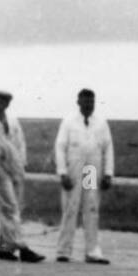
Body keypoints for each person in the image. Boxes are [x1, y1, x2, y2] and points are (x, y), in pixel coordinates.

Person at [0, 90, 44, 262]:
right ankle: (23, 248)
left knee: (13, 209)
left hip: (15, 169)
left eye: (2, 102)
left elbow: (21, 143)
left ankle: (3, 248)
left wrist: (22, 165)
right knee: (9, 208)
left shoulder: (13, 121)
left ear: (7, 104)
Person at [54, 88, 115, 264]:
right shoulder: (69, 122)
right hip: (73, 168)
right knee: (70, 208)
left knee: (91, 207)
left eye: (92, 101)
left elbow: (108, 148)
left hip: (90, 170)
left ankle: (92, 251)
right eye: (85, 101)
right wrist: (62, 172)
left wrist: (108, 173)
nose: (89, 105)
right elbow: (60, 147)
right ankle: (63, 251)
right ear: (78, 102)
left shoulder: (101, 123)